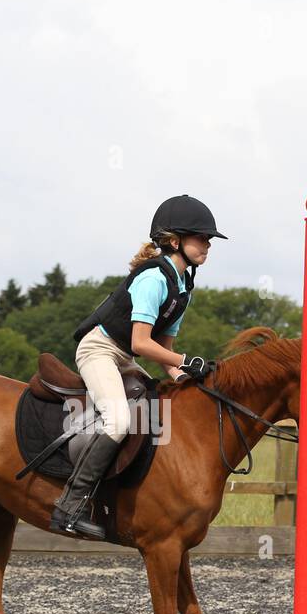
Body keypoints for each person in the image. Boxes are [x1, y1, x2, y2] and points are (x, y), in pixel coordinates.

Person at [50, 194, 226, 539]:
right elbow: (141, 343)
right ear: (174, 241)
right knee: (118, 420)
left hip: (125, 357)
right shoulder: (153, 279)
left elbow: (164, 351)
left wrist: (185, 379)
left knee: (160, 410)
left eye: (208, 239)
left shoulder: (183, 285)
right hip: (100, 350)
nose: (207, 245)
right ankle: (68, 507)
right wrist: (187, 362)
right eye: (201, 238)